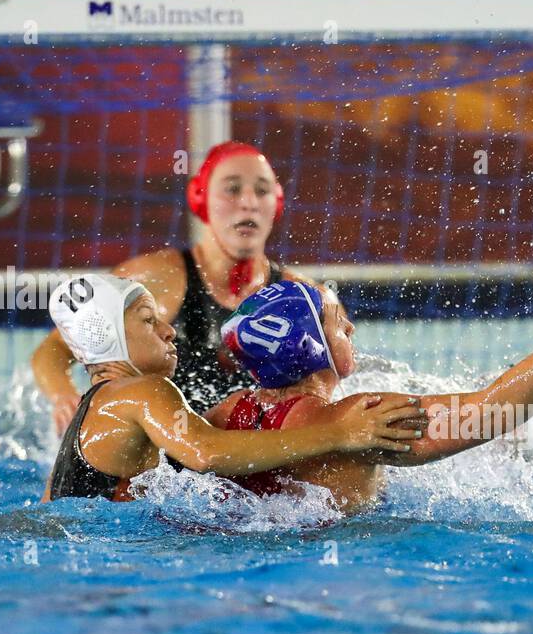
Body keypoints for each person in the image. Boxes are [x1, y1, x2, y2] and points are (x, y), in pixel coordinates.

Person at [205, 225, 533, 513]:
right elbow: (496, 408)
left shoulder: (227, 414)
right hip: (347, 565)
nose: (352, 326)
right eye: (339, 323)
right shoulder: (354, 419)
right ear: (311, 346)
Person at [41, 273, 426, 502]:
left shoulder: (94, 409)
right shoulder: (143, 391)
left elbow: (51, 505)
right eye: (148, 321)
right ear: (108, 337)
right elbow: (207, 453)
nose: (169, 330)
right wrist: (339, 433)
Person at [31, 140, 329, 430]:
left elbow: (329, 390)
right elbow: (56, 348)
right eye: (233, 189)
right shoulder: (154, 279)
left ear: (276, 203)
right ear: (201, 198)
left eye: (262, 191)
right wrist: (65, 398)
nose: (249, 203)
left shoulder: (306, 298)